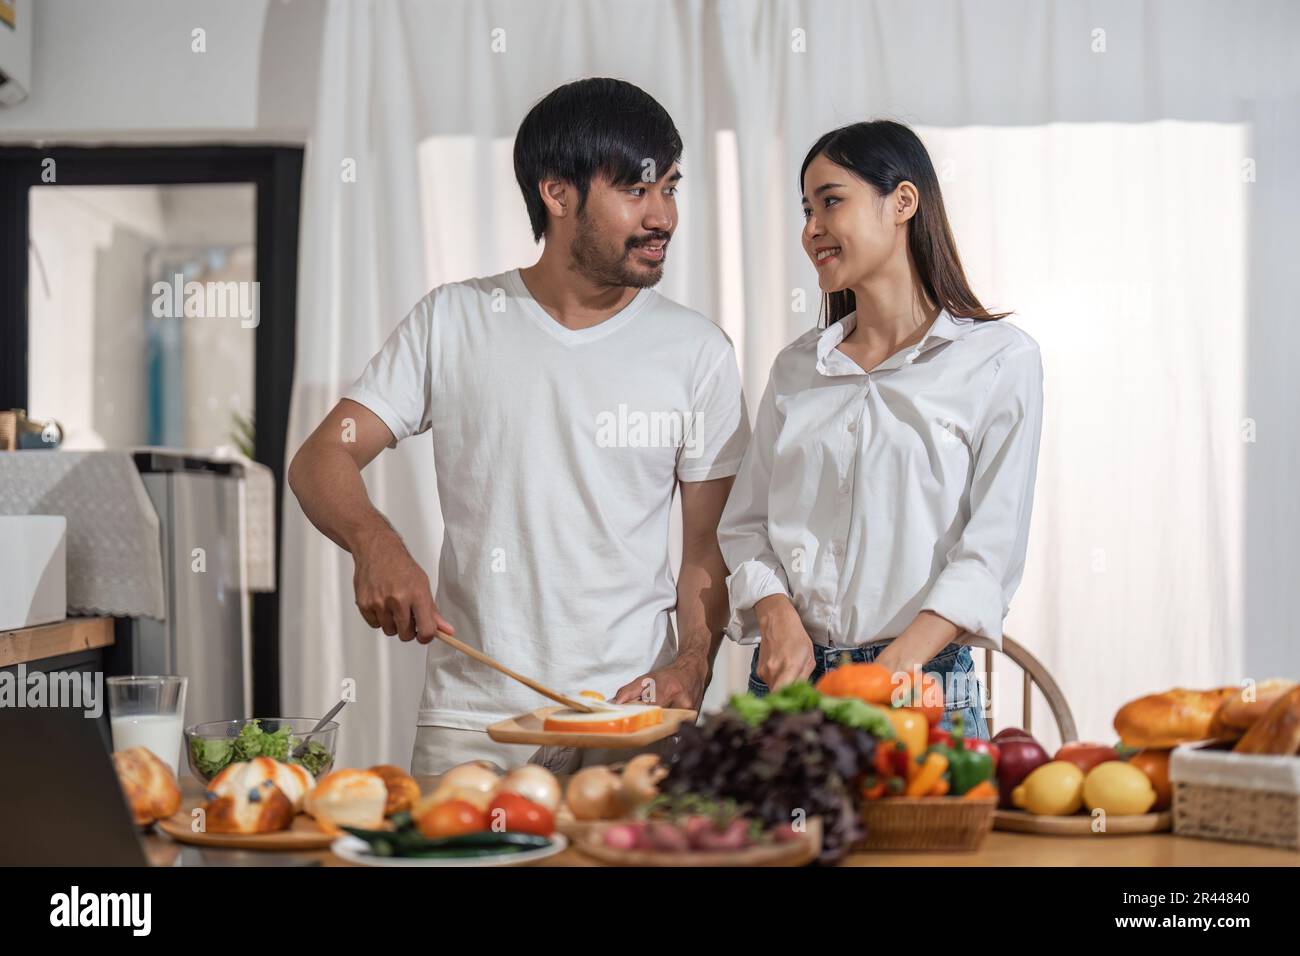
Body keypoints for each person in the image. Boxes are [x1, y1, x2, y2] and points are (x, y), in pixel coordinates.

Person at [289, 78, 749, 774]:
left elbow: (704, 551)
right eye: (635, 190)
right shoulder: (453, 320)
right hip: (473, 726)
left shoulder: (698, 352)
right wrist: (375, 544)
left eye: (671, 189)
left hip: (630, 723)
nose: (663, 217)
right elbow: (322, 457)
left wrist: (691, 666)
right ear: (557, 194)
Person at [718, 120, 1045, 738]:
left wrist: (898, 664)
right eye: (806, 209)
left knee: (922, 837)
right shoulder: (796, 368)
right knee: (780, 838)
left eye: (830, 201)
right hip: (791, 685)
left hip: (922, 686)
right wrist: (776, 611)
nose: (811, 229)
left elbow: (991, 548)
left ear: (902, 202)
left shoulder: (1000, 361)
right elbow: (745, 525)